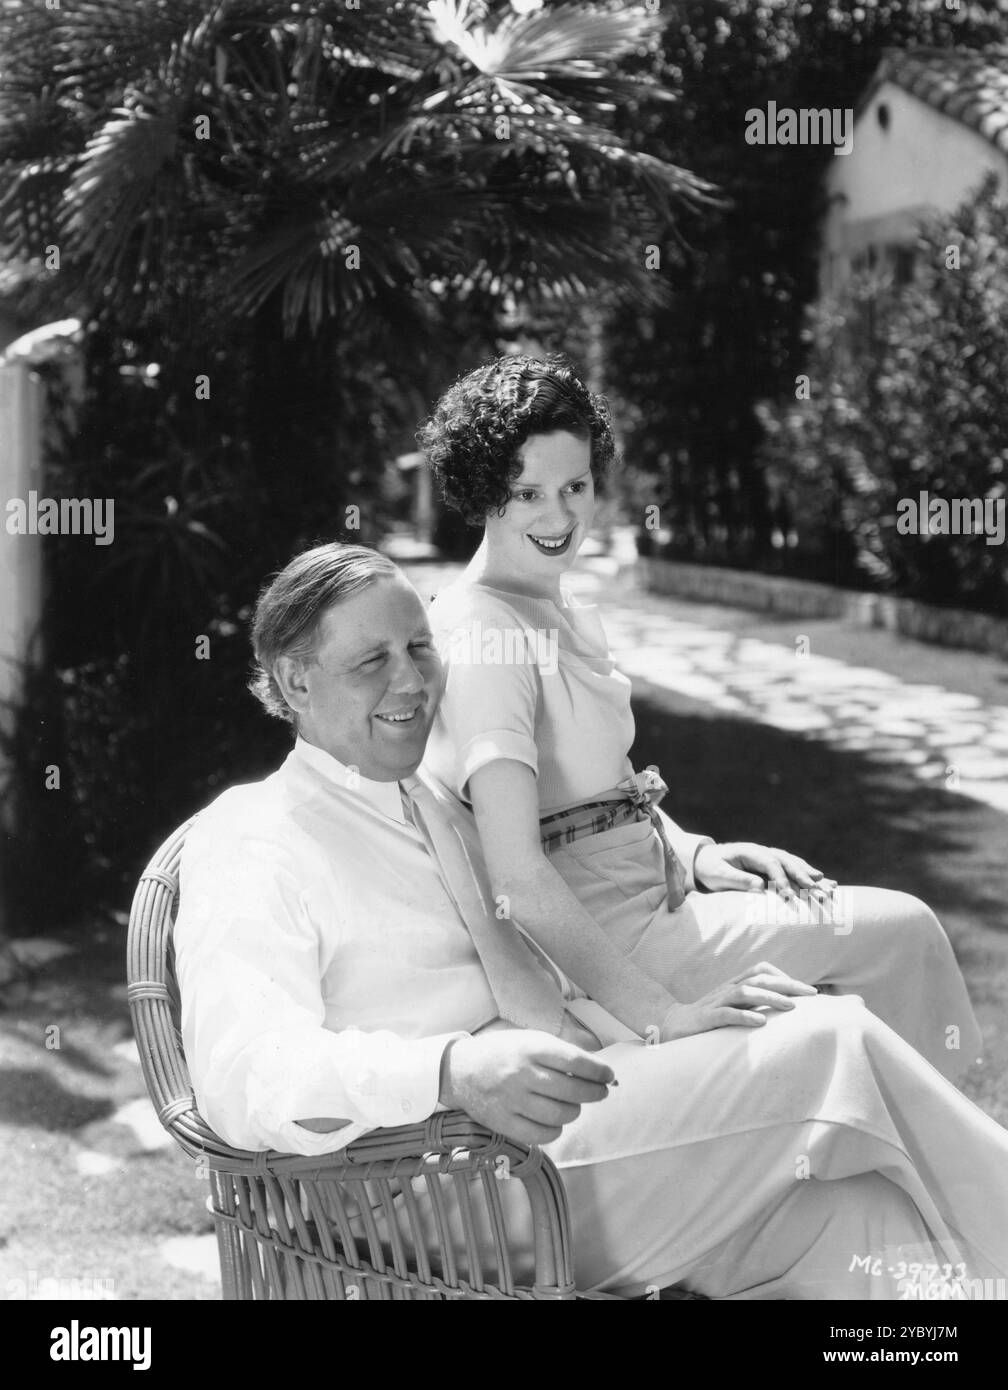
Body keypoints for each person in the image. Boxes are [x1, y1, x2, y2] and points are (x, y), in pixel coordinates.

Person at [173, 542, 1008, 1299]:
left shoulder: (435, 803)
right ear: (294, 681)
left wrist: (668, 1019)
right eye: (371, 661)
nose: (412, 682)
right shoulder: (254, 839)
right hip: (434, 1191)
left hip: (569, 1133)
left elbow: (563, 908)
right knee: (835, 1043)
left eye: (421, 648)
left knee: (870, 1232)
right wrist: (451, 1069)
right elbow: (245, 1075)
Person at [418, 353, 981, 1076]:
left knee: (896, 936)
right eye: (526, 493)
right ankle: (966, 1171)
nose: (559, 516)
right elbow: (518, 879)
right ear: (480, 489)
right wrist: (660, 1016)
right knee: (905, 933)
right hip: (625, 943)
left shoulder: (543, 604)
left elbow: (597, 789)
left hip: (660, 898)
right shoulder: (486, 633)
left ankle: (929, 1160)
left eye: (576, 485)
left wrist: (698, 852)